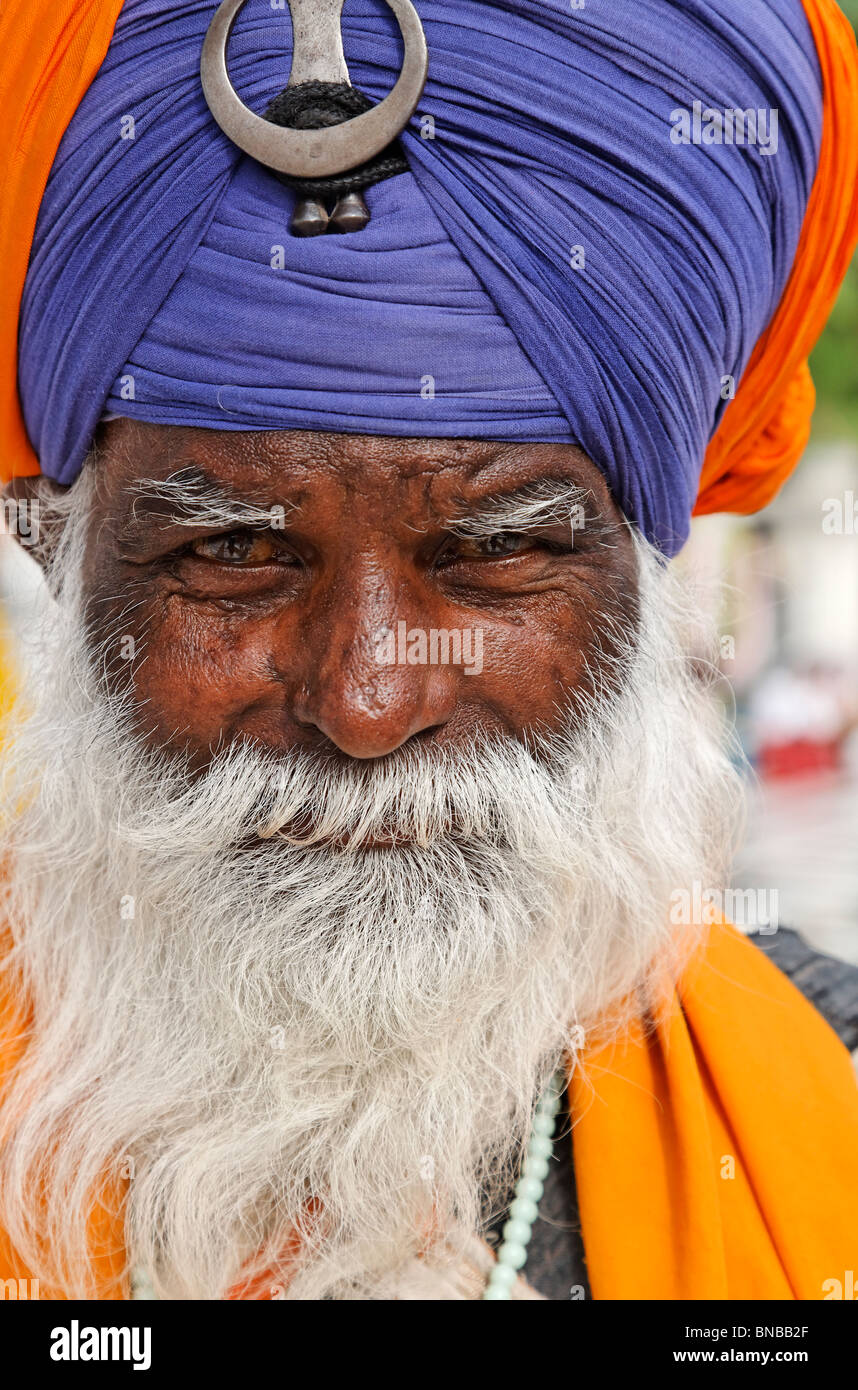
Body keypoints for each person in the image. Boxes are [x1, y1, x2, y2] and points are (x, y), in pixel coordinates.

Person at [0, 0, 856, 1301]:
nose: (362, 698)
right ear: (49, 544)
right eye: (231, 555)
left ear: (645, 573)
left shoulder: (827, 1088)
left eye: (495, 553)